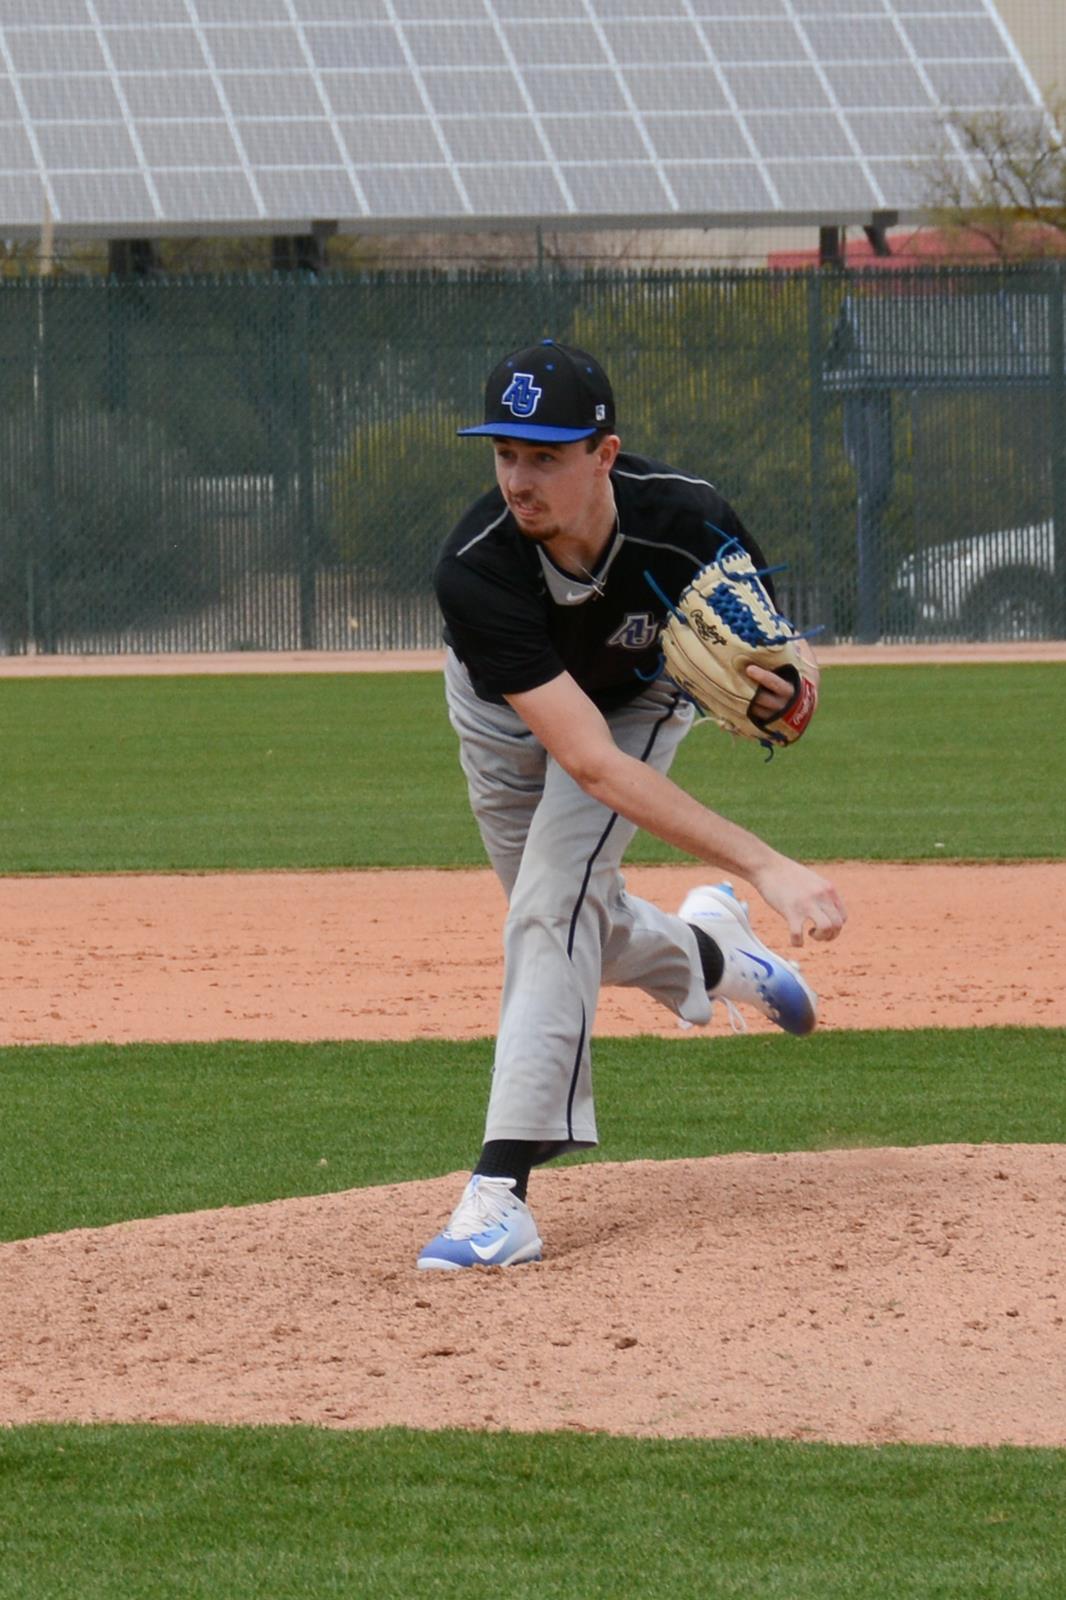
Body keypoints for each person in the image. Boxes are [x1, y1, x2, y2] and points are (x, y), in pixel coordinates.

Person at [417, 340, 846, 1271]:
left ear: (603, 455)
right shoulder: (475, 568)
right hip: (502, 717)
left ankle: (501, 1192)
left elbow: (777, 651)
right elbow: (588, 764)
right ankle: (714, 952)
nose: (517, 479)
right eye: (504, 454)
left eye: (544, 456)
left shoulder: (690, 522)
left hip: (637, 702)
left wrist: (793, 686)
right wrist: (764, 866)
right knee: (575, 923)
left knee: (549, 909)